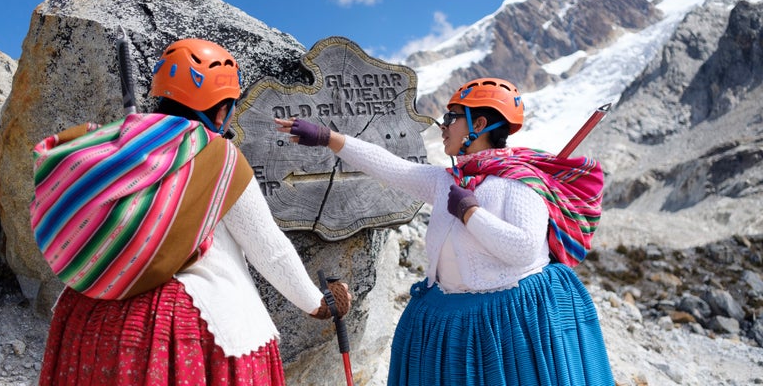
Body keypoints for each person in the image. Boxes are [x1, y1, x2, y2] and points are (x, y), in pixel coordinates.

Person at [30, 38, 351, 385]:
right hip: (180, 329)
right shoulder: (218, 157)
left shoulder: (117, 146)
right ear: (219, 109)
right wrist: (318, 304)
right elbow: (269, 250)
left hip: (89, 317)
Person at [276, 77, 614, 386]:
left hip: (510, 323)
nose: (443, 125)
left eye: (452, 117)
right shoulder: (448, 181)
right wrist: (329, 138)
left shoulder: (522, 181)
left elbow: (524, 249)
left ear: (479, 125)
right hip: (454, 317)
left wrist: (471, 213)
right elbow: (393, 168)